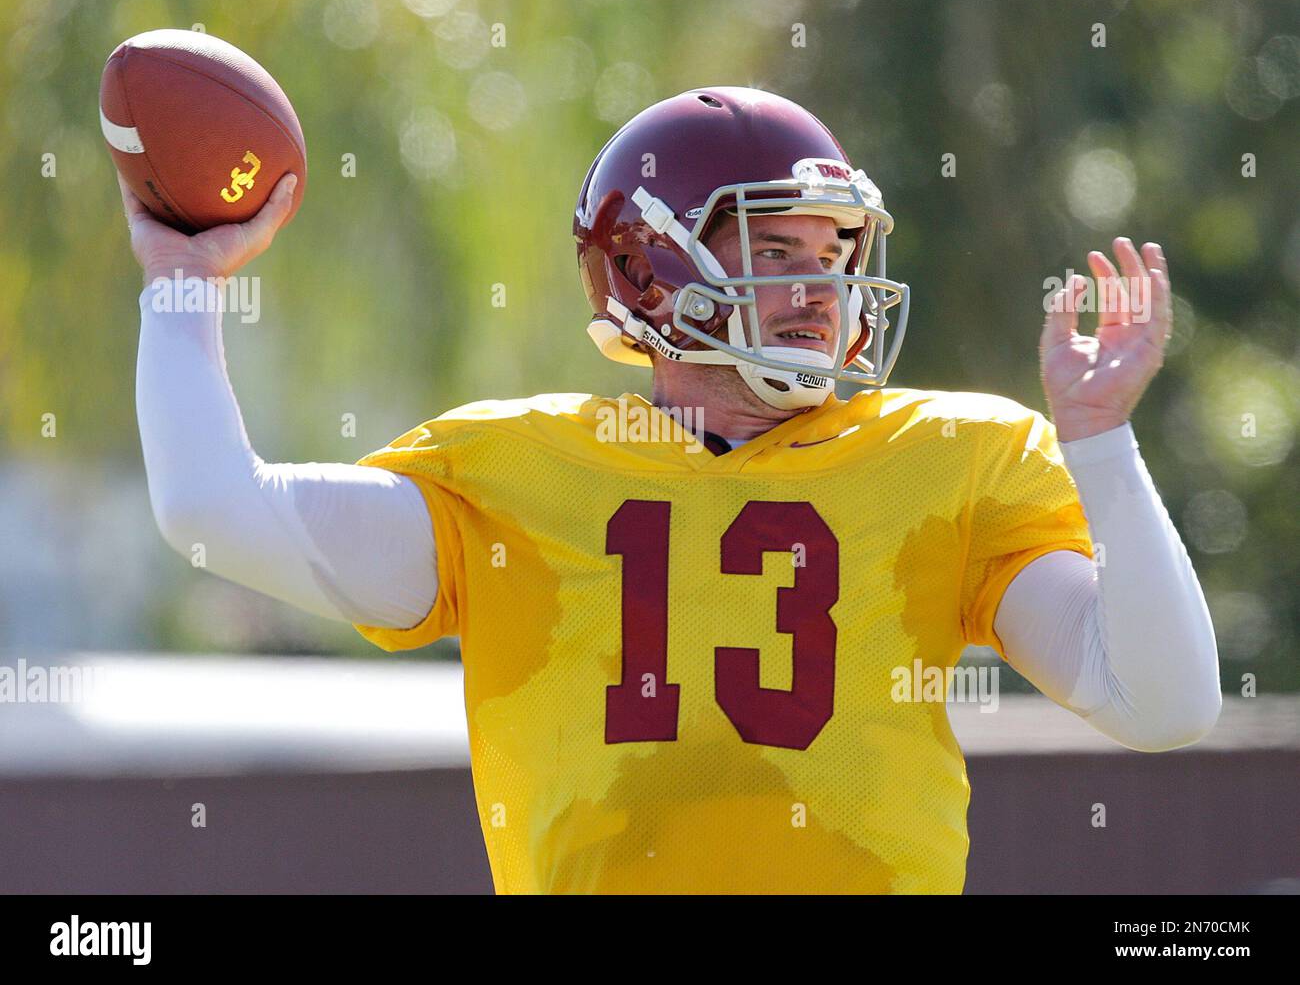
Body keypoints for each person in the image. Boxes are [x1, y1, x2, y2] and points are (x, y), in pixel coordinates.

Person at [124, 86, 1220, 894]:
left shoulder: (956, 453)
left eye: (835, 254)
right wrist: (182, 287)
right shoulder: (514, 472)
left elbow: (1162, 706)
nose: (823, 289)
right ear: (655, 269)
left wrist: (1102, 444)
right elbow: (215, 513)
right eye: (777, 249)